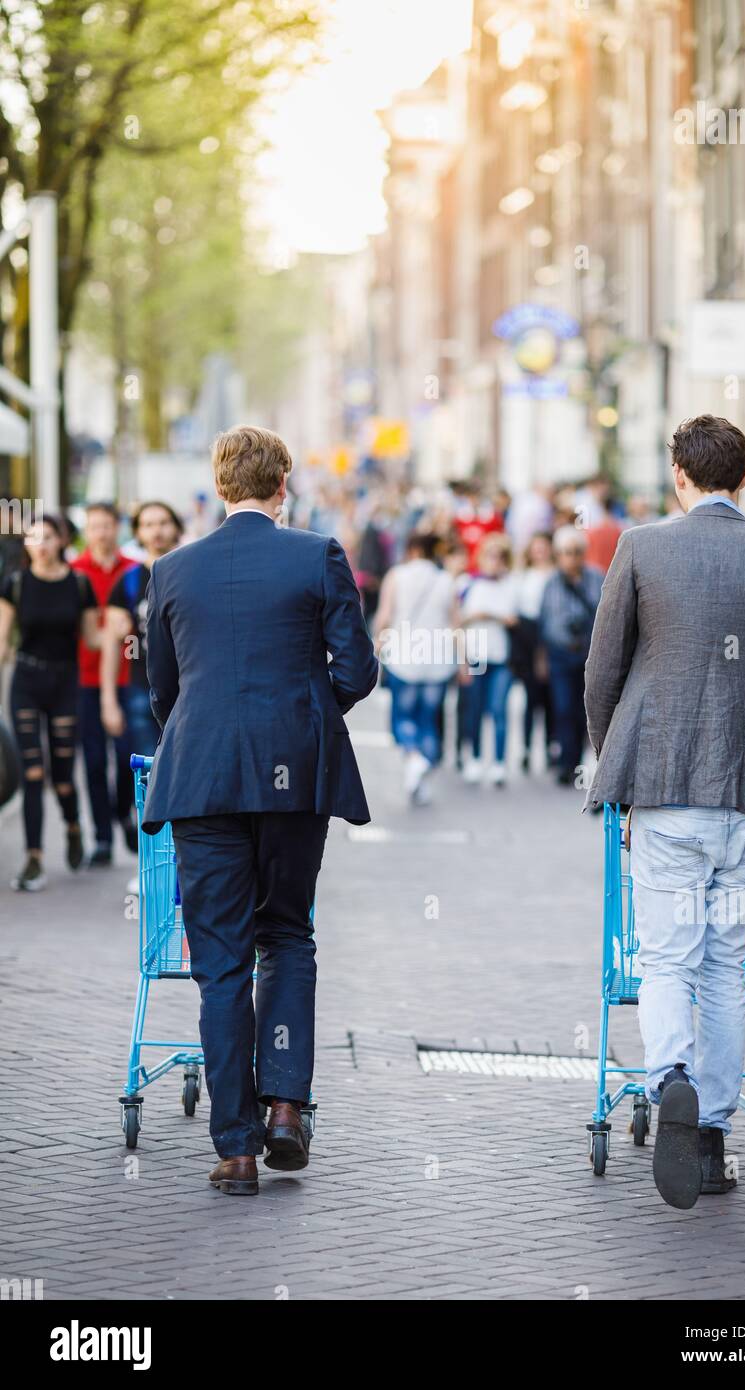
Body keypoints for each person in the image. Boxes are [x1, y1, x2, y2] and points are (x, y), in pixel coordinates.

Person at [584, 415, 745, 1210]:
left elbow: (602, 670)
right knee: (727, 965)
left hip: (664, 788)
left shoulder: (643, 548)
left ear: (679, 477)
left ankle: (670, 1079)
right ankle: (715, 1135)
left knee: (666, 958)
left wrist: (614, 756)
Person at [141, 425, 378, 1196]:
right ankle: (284, 1107)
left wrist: (210, 728)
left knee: (219, 962)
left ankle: (236, 1148)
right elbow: (360, 669)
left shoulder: (172, 568)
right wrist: (305, 715)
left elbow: (163, 693)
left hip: (202, 778)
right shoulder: (316, 555)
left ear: (217, 488)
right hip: (290, 779)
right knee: (286, 933)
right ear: (285, 487)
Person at [0, 515, 99, 891]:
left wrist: (129, 637)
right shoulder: (15, 584)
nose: (39, 544)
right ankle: (34, 858)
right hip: (26, 680)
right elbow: (2, 641)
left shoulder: (79, 584)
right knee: (32, 773)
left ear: (61, 541)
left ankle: (73, 828)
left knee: (61, 776)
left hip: (64, 683)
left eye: (47, 536)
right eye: (32, 537)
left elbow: (92, 639)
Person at [72, 502, 137, 866]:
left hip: (128, 678)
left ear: (117, 528)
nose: (101, 533)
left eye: (107, 525)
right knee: (94, 761)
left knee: (127, 756)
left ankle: (123, 812)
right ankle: (101, 837)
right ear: (87, 530)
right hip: (85, 679)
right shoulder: (74, 572)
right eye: (94, 526)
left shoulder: (132, 572)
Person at [374, 532, 456, 804]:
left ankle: (414, 756)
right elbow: (456, 625)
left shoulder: (397, 576)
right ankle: (421, 778)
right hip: (438, 659)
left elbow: (384, 616)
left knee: (402, 718)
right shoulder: (446, 580)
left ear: (412, 549)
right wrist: (464, 661)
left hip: (405, 657)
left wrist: (375, 645)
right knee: (429, 720)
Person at [100, 501, 184, 762]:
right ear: (137, 532)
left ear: (176, 528)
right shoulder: (129, 581)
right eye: (148, 524)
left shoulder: (189, 572)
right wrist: (109, 701)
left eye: (163, 523)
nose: (156, 531)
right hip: (141, 688)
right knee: (149, 770)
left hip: (188, 687)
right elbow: (112, 645)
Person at [539, 527, 603, 787]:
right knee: (564, 709)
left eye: (576, 552)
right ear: (558, 555)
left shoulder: (596, 578)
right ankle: (568, 763)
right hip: (561, 656)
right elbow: (545, 623)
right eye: (566, 553)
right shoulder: (550, 584)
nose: (571, 558)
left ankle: (591, 764)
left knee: (587, 711)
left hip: (591, 657)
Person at [458, 534, 518, 787]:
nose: (495, 561)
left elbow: (513, 619)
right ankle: (474, 757)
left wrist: (489, 615)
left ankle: (499, 763)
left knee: (498, 709)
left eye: (500, 556)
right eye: (490, 555)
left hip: (500, 657)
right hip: (475, 656)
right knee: (474, 710)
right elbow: (457, 621)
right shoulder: (467, 584)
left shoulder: (510, 586)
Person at [512, 532, 556, 773]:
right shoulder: (522, 576)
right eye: (535, 548)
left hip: (549, 634)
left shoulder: (555, 576)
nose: (539, 552)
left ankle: (552, 746)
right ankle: (526, 748)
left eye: (543, 547)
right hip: (527, 637)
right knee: (530, 697)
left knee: (550, 697)